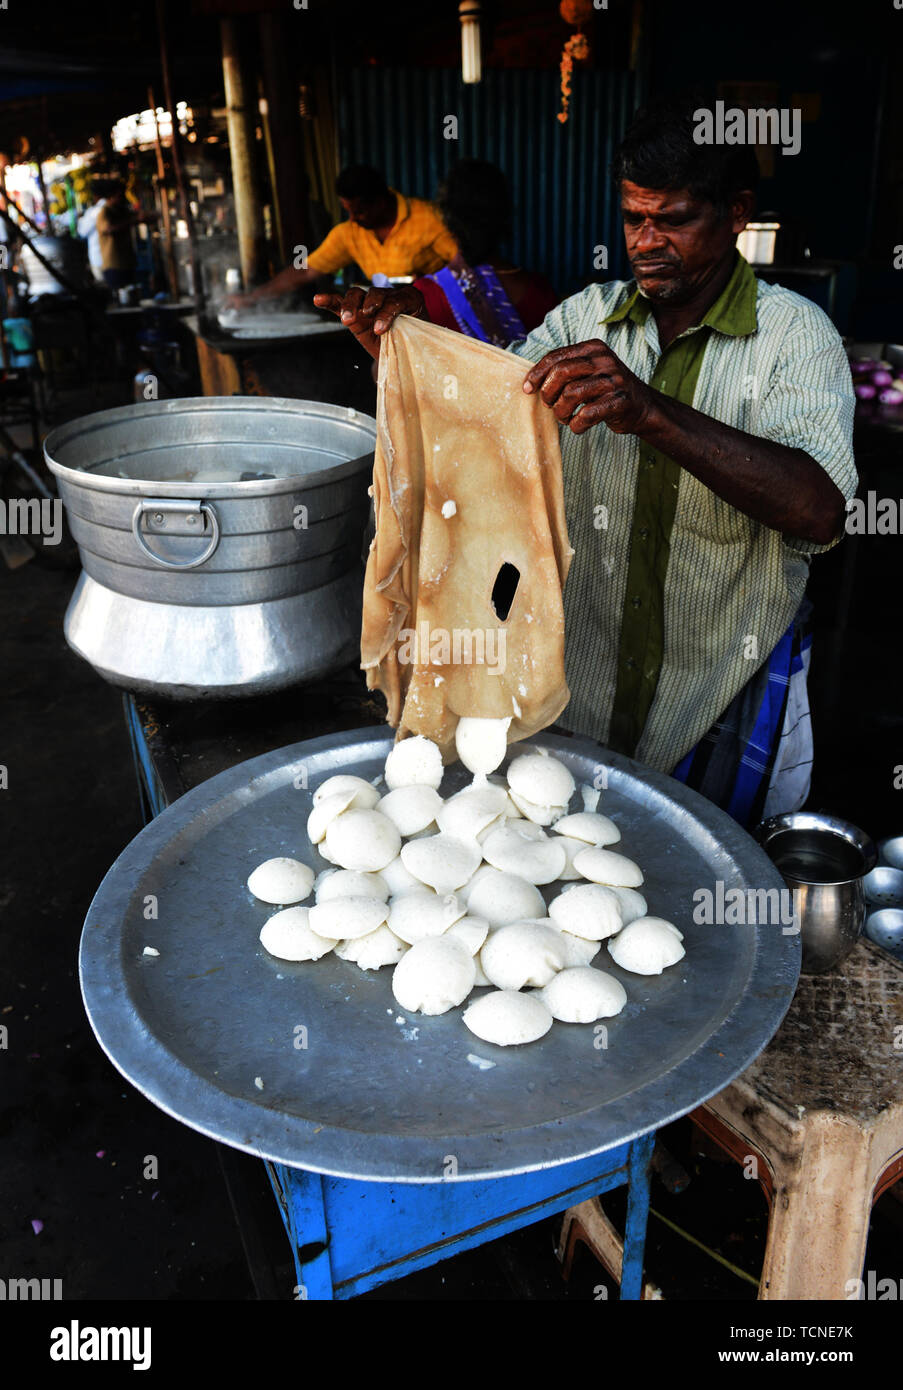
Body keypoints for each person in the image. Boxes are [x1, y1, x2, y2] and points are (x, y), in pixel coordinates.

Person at [314, 95, 855, 828]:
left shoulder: (796, 336)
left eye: (673, 220)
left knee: (704, 880)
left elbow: (819, 509)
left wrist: (652, 412)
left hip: (720, 690)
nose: (647, 242)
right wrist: (405, 356)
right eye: (633, 219)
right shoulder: (581, 319)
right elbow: (487, 414)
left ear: (735, 214)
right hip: (586, 689)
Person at [230, 164, 457, 306]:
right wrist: (254, 297)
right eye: (347, 211)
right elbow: (306, 270)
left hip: (436, 319)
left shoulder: (429, 219)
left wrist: (431, 283)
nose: (352, 218)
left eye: (358, 211)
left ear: (380, 202)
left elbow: (469, 268)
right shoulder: (349, 233)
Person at [413, 160, 557, 346]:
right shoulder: (540, 293)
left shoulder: (422, 297)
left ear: (447, 220)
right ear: (504, 216)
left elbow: (387, 368)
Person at [77, 189, 107, 283]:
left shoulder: (95, 211)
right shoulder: (112, 207)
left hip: (99, 258)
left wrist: (81, 220)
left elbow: (82, 232)